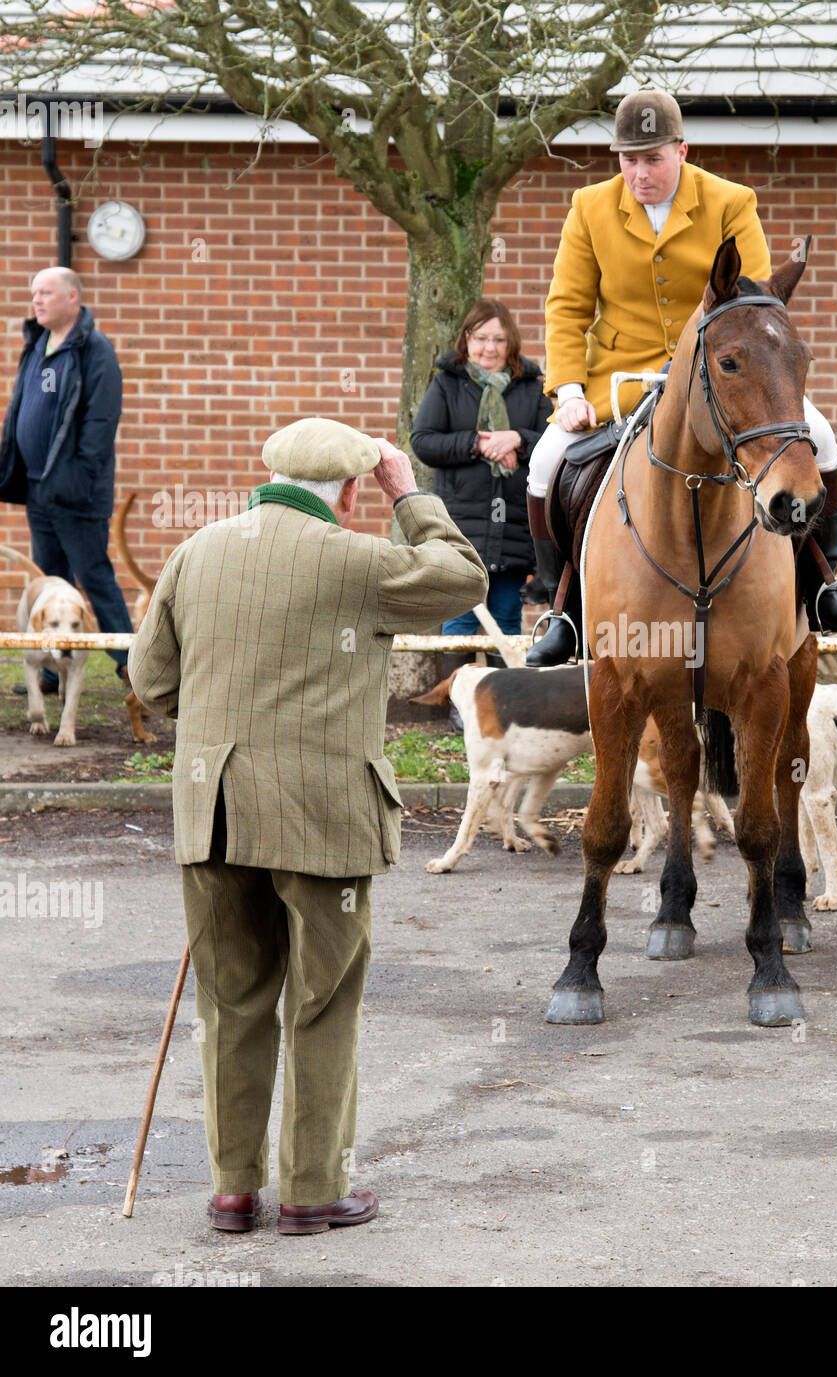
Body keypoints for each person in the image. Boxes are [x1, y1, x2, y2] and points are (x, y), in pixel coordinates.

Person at [128, 419, 488, 1235]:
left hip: (213, 812)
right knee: (322, 1000)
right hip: (324, 818)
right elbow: (464, 576)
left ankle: (231, 1189)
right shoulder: (358, 559)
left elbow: (152, 682)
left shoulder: (196, 551)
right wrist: (412, 494)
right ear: (354, 491)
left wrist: (228, 727)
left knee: (232, 1001)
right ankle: (312, 1189)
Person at [524, 87, 837, 666]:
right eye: (628, 159)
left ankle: (824, 586)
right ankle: (563, 610)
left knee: (824, 443)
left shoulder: (731, 201)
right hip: (622, 383)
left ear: (682, 150)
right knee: (543, 463)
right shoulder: (589, 208)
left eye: (652, 158)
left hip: (724, 378)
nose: (639, 173)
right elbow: (567, 307)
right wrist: (568, 392)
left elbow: (756, 304)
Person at [0, 267, 137, 703]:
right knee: (51, 582)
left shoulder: (94, 350)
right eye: (33, 293)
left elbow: (100, 423)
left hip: (76, 493)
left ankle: (135, 670)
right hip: (39, 491)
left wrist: (75, 479)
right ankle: (53, 675)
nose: (36, 300)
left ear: (72, 298)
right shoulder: (38, 346)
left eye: (46, 292)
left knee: (94, 579)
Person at [411, 299, 549, 644]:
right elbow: (424, 442)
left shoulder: (533, 388)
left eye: (499, 340)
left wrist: (518, 439)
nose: (490, 347)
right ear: (467, 339)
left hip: (514, 527)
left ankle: (503, 698)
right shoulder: (447, 384)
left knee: (505, 621)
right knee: (459, 621)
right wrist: (478, 444)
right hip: (461, 527)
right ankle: (458, 698)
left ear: (511, 343)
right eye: (482, 337)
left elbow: (555, 446)